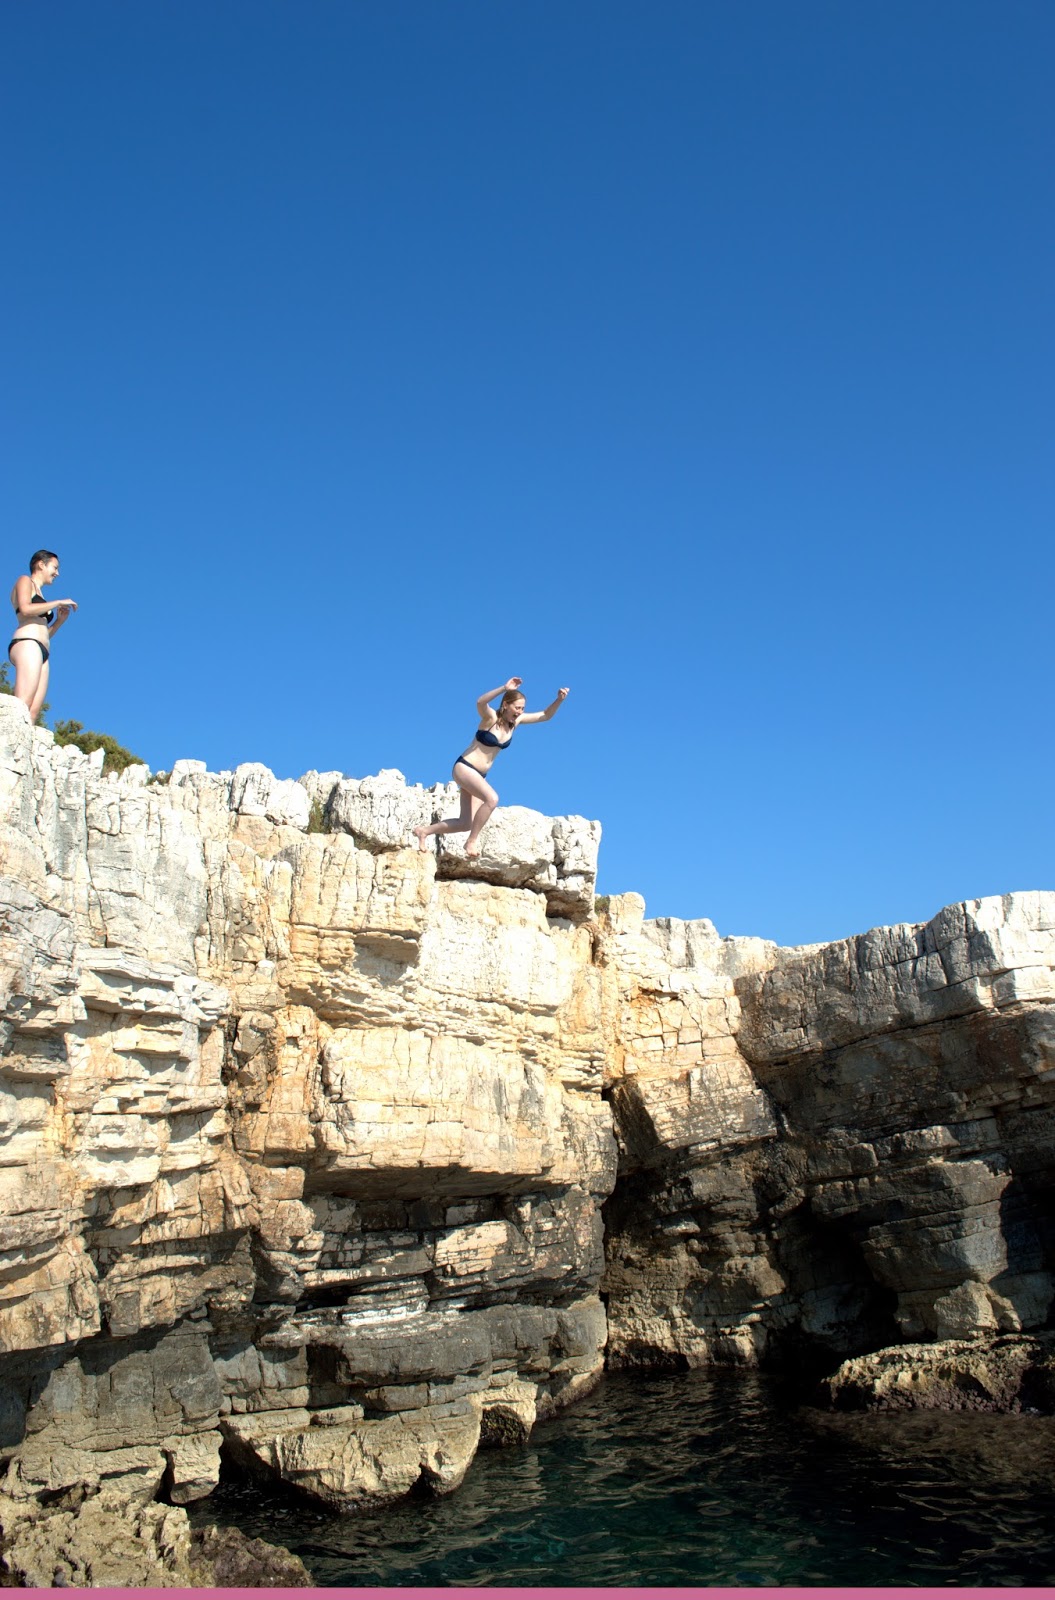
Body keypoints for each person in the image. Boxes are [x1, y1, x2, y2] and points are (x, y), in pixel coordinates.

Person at [413, 676, 570, 858]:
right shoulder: (490, 719)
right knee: (492, 799)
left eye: (523, 709)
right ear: (506, 705)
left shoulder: (515, 723)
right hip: (465, 767)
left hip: (479, 775)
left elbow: (545, 715)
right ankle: (471, 841)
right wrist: (504, 688)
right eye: (517, 708)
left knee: (466, 823)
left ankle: (424, 831)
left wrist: (558, 700)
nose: (520, 712)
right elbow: (480, 702)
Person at [8, 551, 77, 723]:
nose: (57, 573)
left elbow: (44, 633)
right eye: (55, 567)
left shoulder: (41, 593)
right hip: (27, 643)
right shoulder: (25, 580)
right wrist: (57, 602)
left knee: (32, 713)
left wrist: (59, 621)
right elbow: (25, 608)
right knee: (22, 705)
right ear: (41, 564)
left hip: (42, 650)